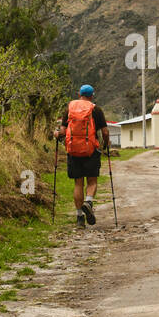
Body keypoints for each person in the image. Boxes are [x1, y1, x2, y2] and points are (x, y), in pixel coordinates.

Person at [55, 84, 111, 226]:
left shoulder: (69, 108)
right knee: (92, 181)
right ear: (92, 96)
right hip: (90, 150)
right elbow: (104, 132)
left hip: (73, 151)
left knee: (78, 183)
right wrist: (107, 143)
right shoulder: (96, 109)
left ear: (79, 94)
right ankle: (89, 201)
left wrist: (56, 134)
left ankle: (80, 217)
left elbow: (62, 132)